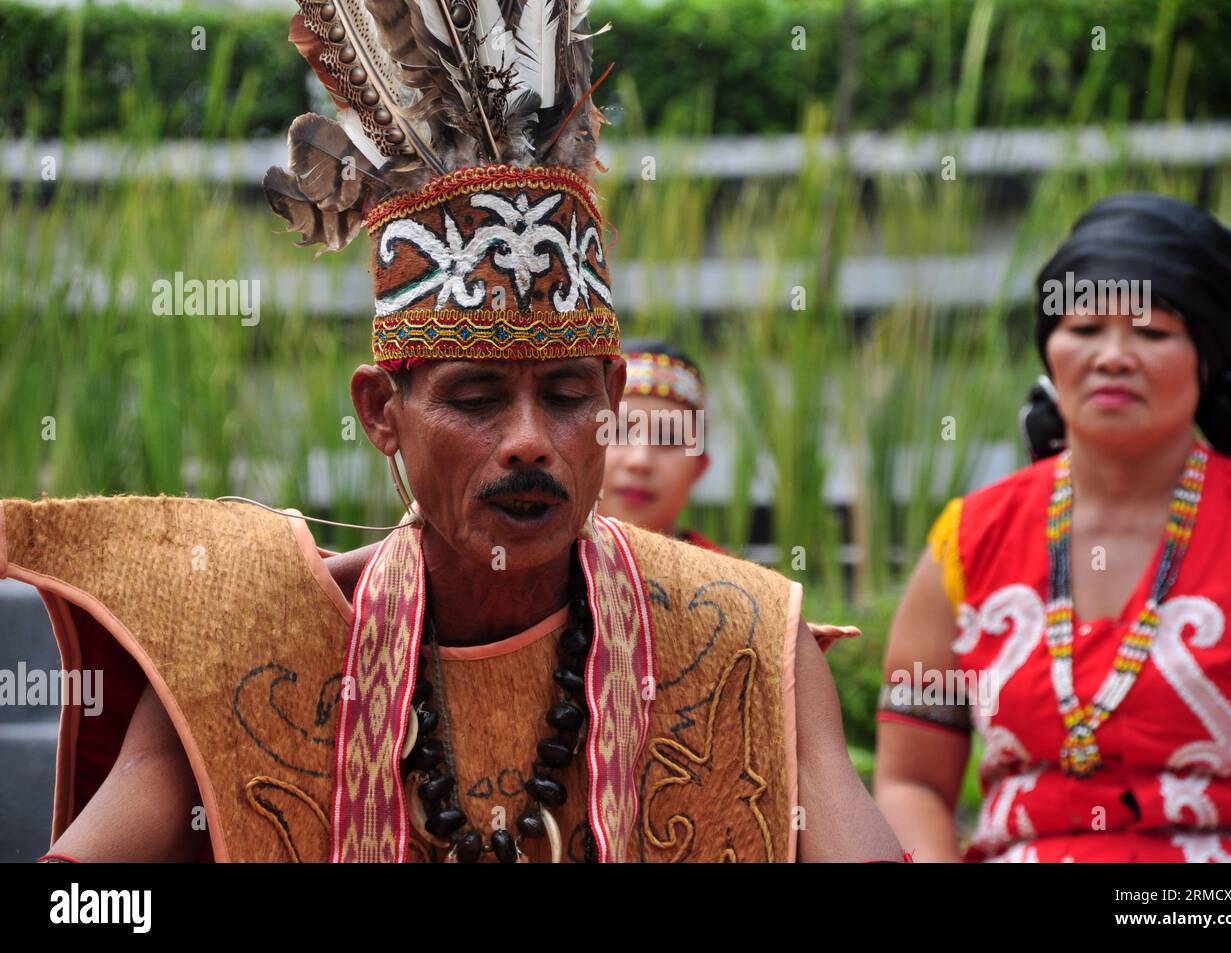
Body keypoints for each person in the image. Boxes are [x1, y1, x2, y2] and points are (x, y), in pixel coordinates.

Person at [6, 1, 900, 864]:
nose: (527, 442)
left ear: (613, 397)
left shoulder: (747, 640)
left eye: (565, 395)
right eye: (474, 398)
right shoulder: (242, 642)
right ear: (379, 414)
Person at [873, 192, 1231, 862]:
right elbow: (911, 779)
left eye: (1153, 333)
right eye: (1084, 329)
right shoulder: (967, 540)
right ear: (1049, 348)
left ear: (1207, 360)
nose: (1113, 356)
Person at [598, 338, 724, 552]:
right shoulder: (531, 571)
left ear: (699, 467)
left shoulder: (732, 582)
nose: (640, 461)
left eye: (670, 439)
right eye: (617, 432)